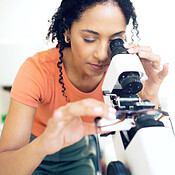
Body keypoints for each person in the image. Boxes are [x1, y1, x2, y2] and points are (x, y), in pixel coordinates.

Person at [0, 0, 169, 174]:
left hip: (78, 148)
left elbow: (151, 147)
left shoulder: (120, 71)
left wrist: (149, 95)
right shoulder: (37, 70)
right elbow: (4, 167)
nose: (102, 55)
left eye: (115, 40)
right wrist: (44, 144)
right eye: (89, 39)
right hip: (33, 147)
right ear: (67, 29)